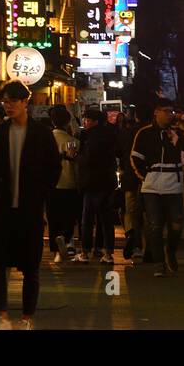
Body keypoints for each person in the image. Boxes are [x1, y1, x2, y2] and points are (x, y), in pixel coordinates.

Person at [0, 80, 60, 329]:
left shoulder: (41, 134)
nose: (8, 105)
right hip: (0, 209)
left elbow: (53, 168)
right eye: (5, 101)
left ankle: (27, 317)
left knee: (31, 266)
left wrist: (41, 194)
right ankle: (2, 314)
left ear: (26, 102)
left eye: (13, 101)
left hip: (30, 209)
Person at [130, 99, 184, 276]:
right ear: (156, 112)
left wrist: (177, 140)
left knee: (176, 223)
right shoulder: (145, 133)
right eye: (166, 110)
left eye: (172, 111)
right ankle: (158, 263)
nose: (170, 114)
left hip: (174, 185)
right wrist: (145, 176)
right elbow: (135, 157)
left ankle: (170, 251)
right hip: (151, 187)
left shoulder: (178, 133)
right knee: (154, 225)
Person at [75, 107, 119, 263]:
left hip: (92, 182)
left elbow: (88, 159)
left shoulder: (89, 137)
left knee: (87, 219)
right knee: (106, 220)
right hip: (107, 182)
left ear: (95, 121)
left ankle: (85, 252)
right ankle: (108, 253)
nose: (84, 122)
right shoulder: (110, 134)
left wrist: (75, 156)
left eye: (87, 119)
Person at [47, 106, 80, 262]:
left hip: (51, 185)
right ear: (68, 122)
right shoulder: (73, 142)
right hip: (69, 184)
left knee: (53, 218)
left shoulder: (47, 139)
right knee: (68, 217)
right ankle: (66, 240)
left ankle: (56, 251)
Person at [117, 106, 145, 263]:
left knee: (130, 210)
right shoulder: (148, 132)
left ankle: (131, 235)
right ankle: (142, 245)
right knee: (145, 212)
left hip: (129, 177)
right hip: (146, 178)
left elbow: (119, 152)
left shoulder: (126, 133)